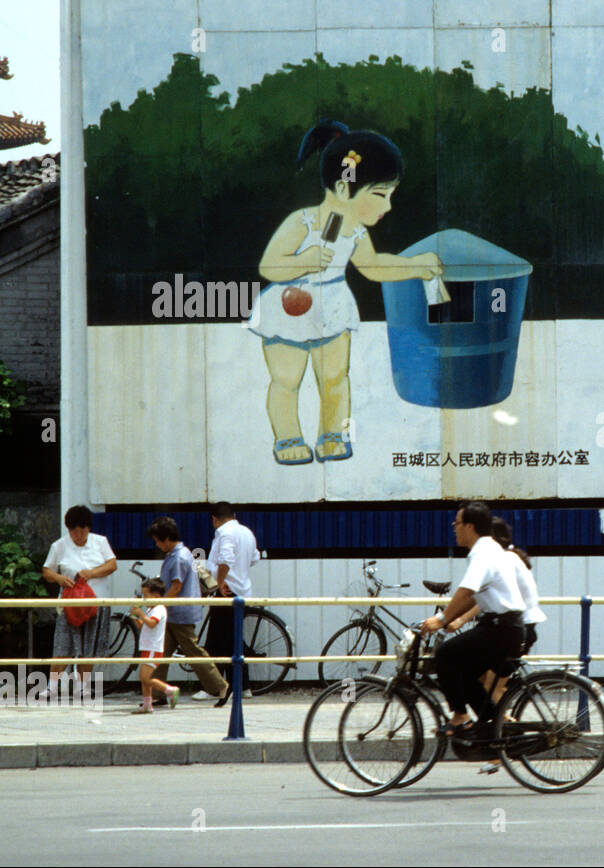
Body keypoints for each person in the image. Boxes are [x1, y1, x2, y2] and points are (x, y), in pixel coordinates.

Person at [247, 119, 444, 465]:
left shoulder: (353, 230)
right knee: (286, 379)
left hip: (334, 305)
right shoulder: (302, 221)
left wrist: (416, 265)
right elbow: (269, 266)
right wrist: (304, 261)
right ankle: (287, 437)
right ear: (343, 188)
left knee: (336, 378)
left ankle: (332, 435)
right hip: (287, 307)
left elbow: (372, 266)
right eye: (380, 195)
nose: (388, 207)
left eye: (391, 195)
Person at [443, 518, 547, 774]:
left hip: (517, 629)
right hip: (520, 628)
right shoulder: (508, 557)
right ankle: (497, 736)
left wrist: (456, 620)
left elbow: (481, 598)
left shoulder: (504, 559)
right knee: (479, 681)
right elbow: (481, 595)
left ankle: (503, 744)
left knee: (495, 687)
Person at [419, 502, 526, 737]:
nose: (453, 527)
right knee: (465, 673)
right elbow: (473, 595)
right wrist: (445, 618)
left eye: (456, 522)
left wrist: (442, 619)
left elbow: (466, 591)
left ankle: (459, 717)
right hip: (505, 627)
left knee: (445, 654)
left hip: (500, 628)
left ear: (469, 526)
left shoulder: (482, 553)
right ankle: (494, 728)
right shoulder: (490, 549)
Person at [146, 516, 228, 702]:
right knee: (162, 652)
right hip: (177, 612)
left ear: (166, 538)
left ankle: (220, 686)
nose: (157, 544)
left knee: (192, 651)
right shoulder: (184, 553)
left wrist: (159, 605)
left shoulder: (177, 558)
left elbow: (175, 586)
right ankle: (158, 693)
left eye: (157, 540)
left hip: (179, 613)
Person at [41, 505, 117, 698]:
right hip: (70, 604)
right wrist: (59, 578)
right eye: (73, 530)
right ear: (68, 529)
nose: (78, 534)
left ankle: (82, 686)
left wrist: (91, 573)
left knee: (89, 646)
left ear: (88, 528)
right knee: (63, 644)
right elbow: (47, 570)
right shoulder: (59, 545)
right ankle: (51, 686)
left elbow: (111, 564)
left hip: (96, 602)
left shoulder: (100, 542)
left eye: (82, 530)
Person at [204, 502, 259, 703]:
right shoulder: (246, 532)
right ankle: (243, 686)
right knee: (233, 640)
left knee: (217, 642)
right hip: (243, 591)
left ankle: (216, 687)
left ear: (214, 519)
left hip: (226, 592)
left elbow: (225, 560)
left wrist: (219, 583)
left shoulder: (224, 533)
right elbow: (254, 558)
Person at [128, 578, 180, 714]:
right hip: (147, 647)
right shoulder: (151, 609)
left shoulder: (159, 609)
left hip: (153, 648)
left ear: (156, 596)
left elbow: (151, 623)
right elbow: (143, 625)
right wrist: (135, 617)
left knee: (146, 678)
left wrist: (141, 615)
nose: (144, 599)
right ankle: (147, 704)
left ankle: (169, 690)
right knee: (144, 678)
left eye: (146, 595)